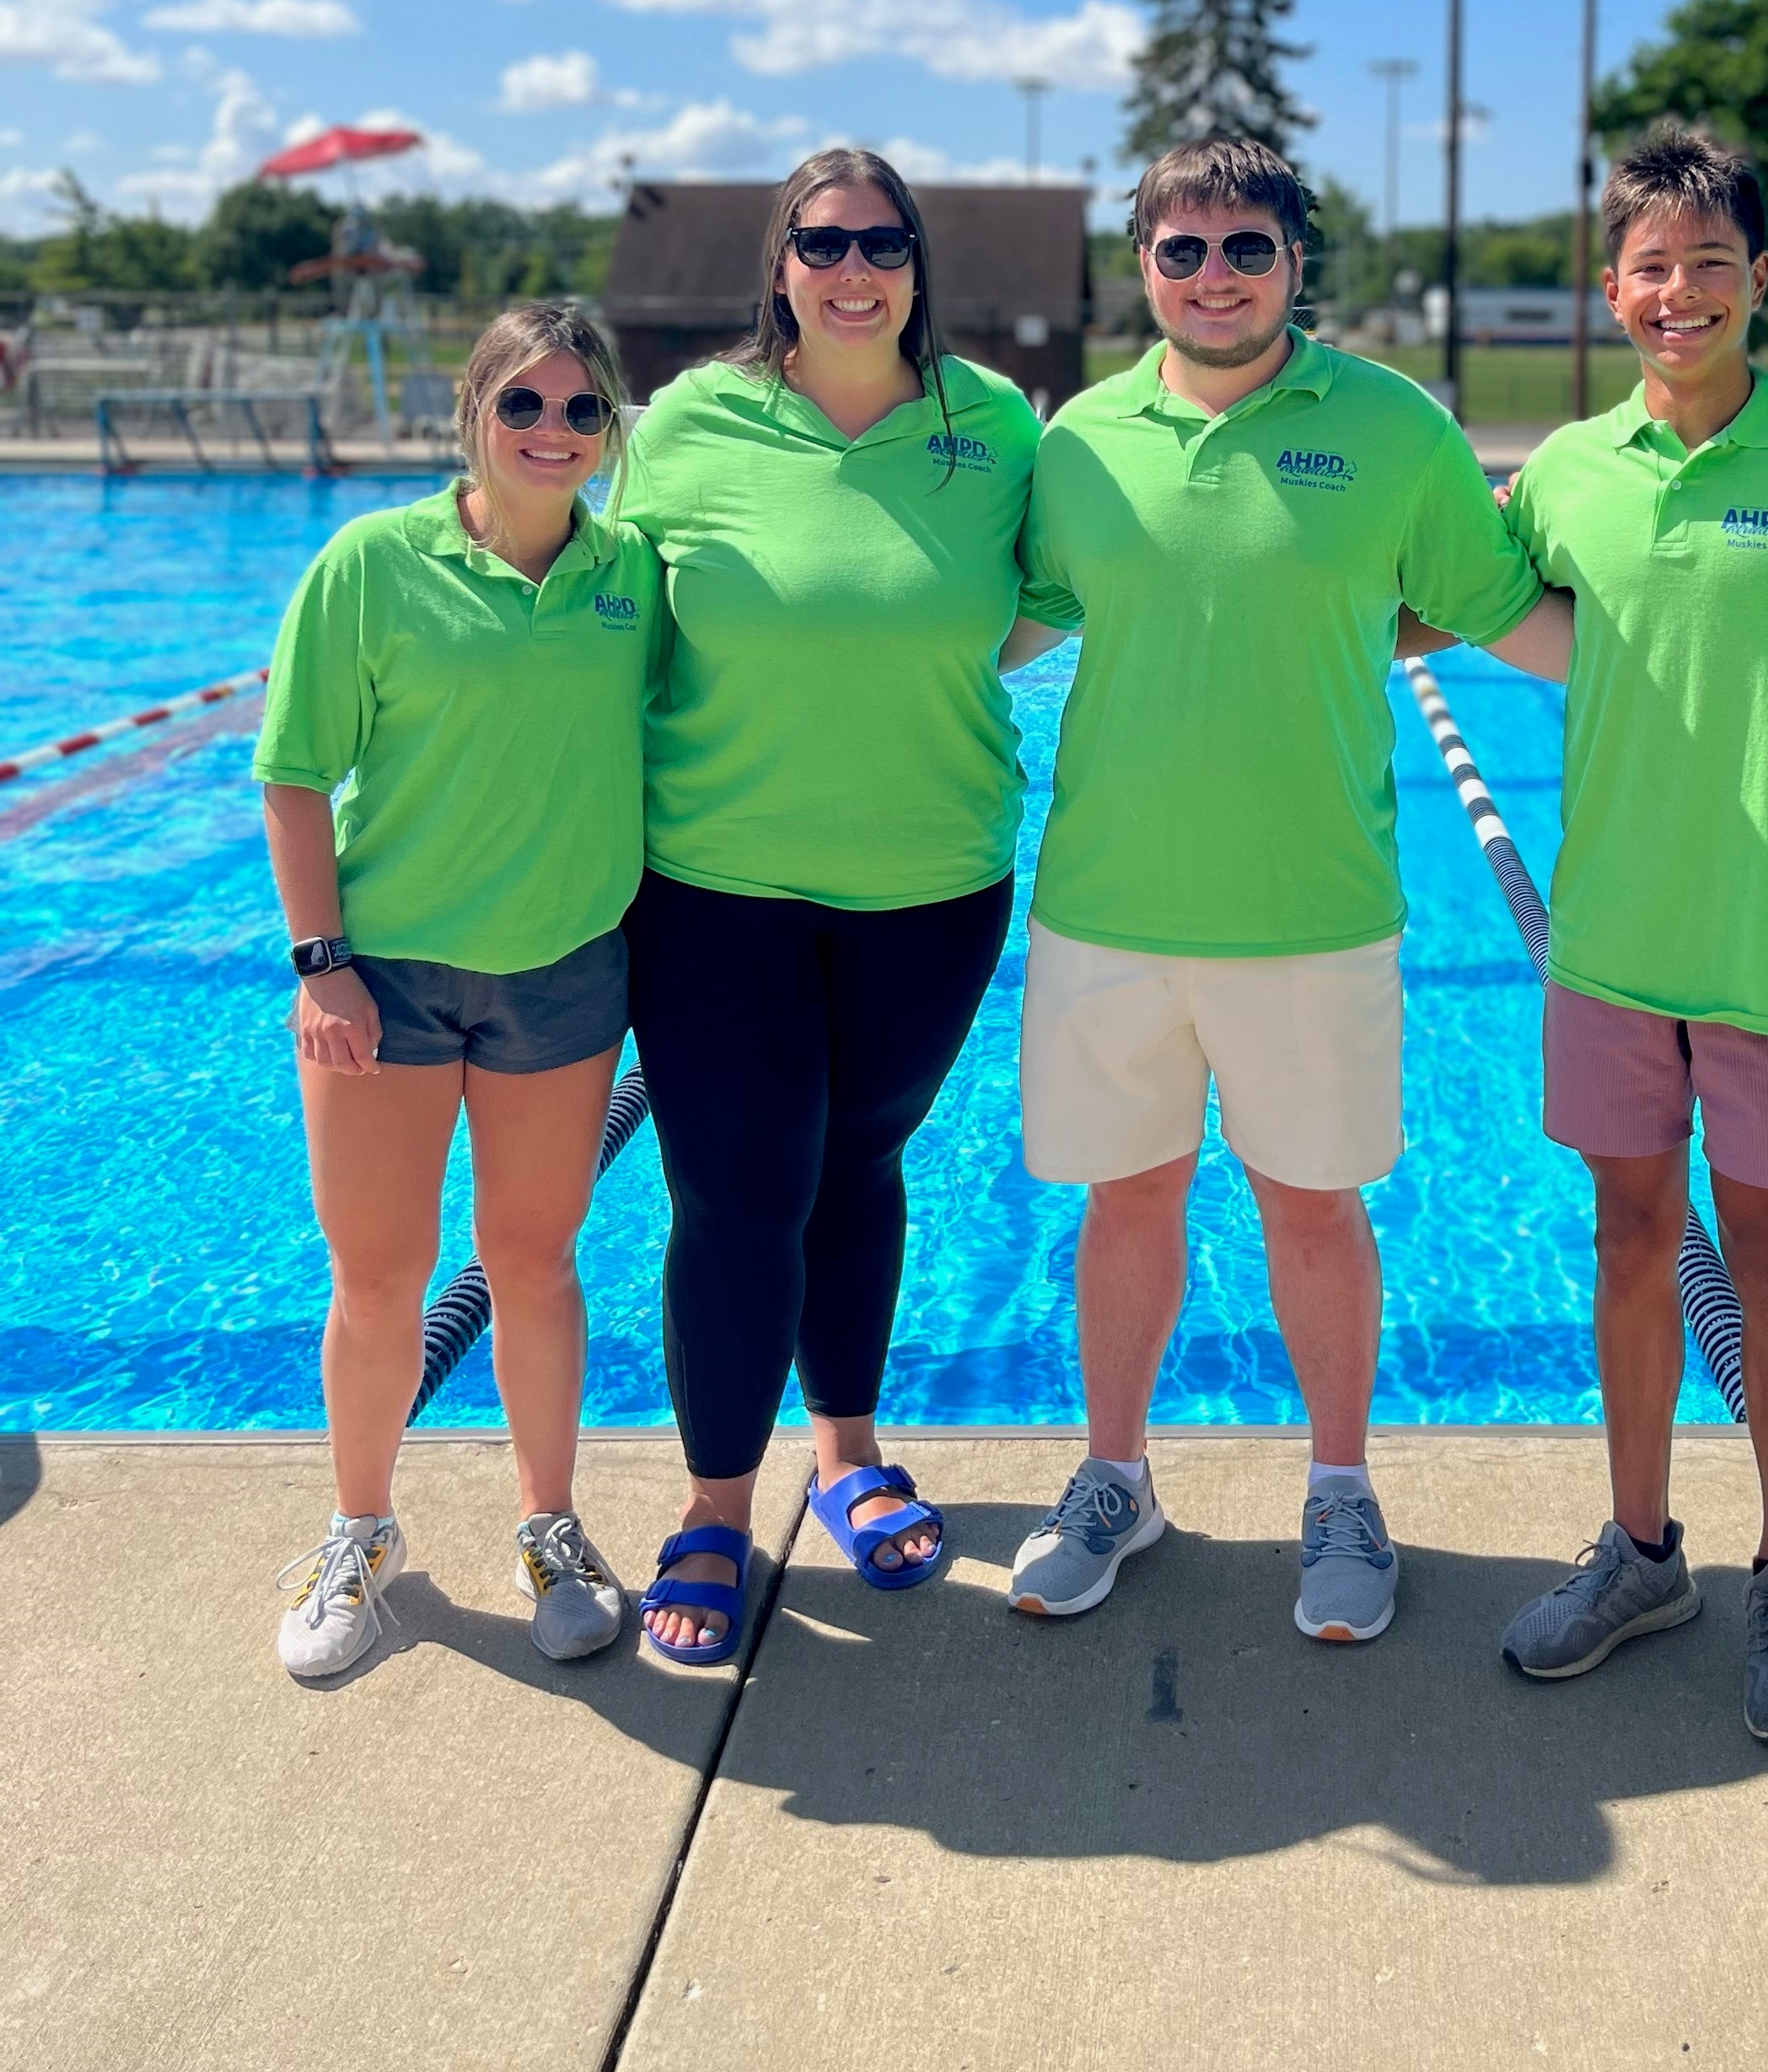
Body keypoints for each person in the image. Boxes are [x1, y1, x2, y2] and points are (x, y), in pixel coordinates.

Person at [1002, 134, 1567, 1641]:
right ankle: (1116, 1478)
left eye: (1245, 245)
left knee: (1312, 1211)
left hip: (1313, 910)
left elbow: (1503, 608)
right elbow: (1006, 623)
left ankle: (1340, 1487)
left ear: (1295, 263)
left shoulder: (1392, 427)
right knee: (1129, 1205)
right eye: (1180, 250)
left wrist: (1713, 665)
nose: (1213, 275)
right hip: (1105, 908)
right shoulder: (1080, 441)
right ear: (1142, 268)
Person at [617, 148, 1040, 1663]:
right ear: (778, 264)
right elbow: (608, 607)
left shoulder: (987, 423)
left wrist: (914, 676)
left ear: (918, 262)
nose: (851, 269)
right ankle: (716, 1511)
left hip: (932, 879)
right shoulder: (687, 425)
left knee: (859, 1161)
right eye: (821, 243)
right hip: (712, 886)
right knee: (734, 1196)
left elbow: (1051, 591)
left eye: (880, 242)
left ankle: (849, 1454)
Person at [1489, 126, 1768, 1742]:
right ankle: (1643, 1548)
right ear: (1611, 288)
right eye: (1651, 266)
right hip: (1613, 937)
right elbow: (1452, 604)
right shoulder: (1571, 473)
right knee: (1631, 1246)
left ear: (1760, 282)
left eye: (1711, 263)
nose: (1680, 292)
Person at [256, 305, 657, 1682]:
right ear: (472, 416)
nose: (555, 432)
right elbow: (295, 771)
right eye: (524, 406)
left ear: (613, 431)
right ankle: (361, 1531)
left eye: (583, 410)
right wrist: (325, 965)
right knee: (379, 1279)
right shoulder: (372, 565)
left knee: (535, 1266)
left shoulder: (635, 576)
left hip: (563, 977)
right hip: (390, 983)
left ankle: (552, 1525)